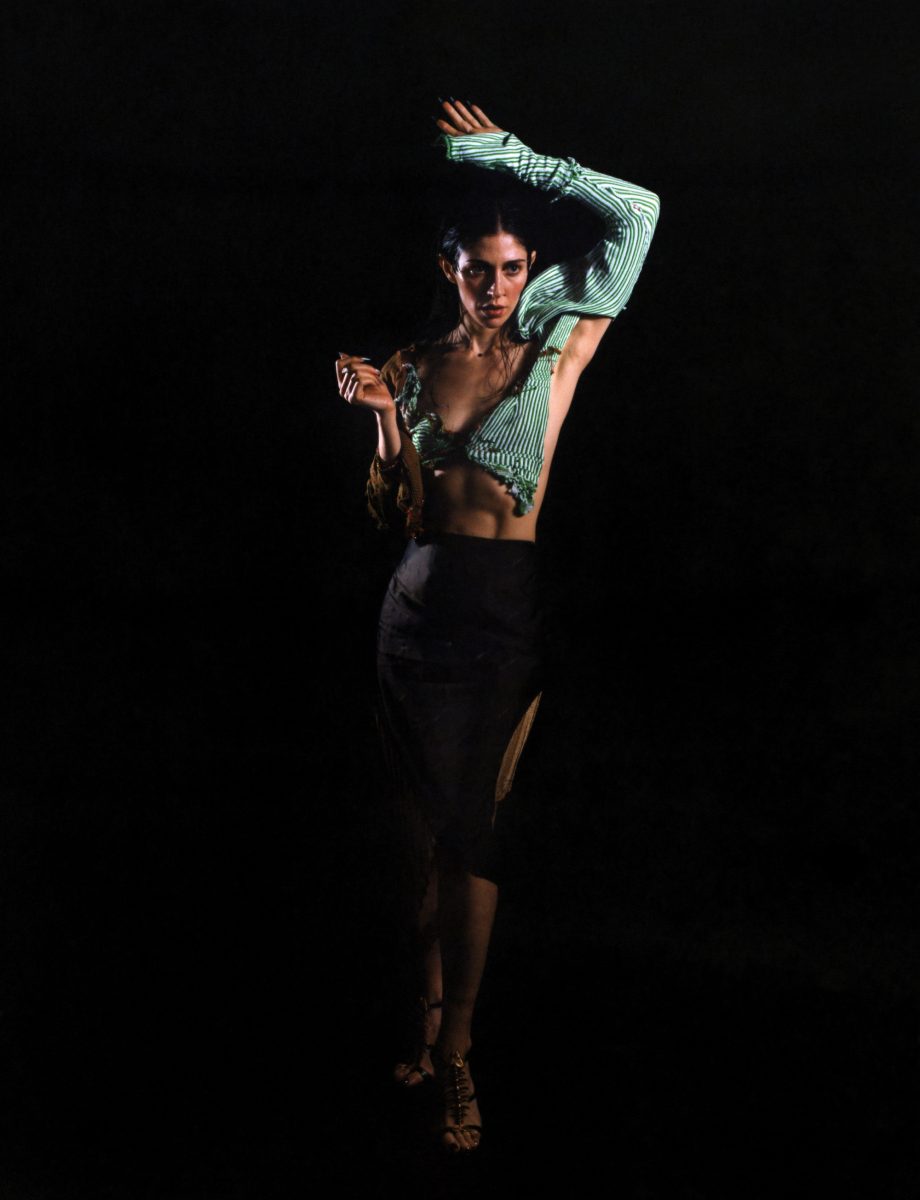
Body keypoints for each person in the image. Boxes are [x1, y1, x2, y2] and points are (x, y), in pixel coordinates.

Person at [335, 99, 660, 1153]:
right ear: (450, 268)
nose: (496, 285)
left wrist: (517, 159)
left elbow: (639, 214)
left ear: (530, 273)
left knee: (471, 831)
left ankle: (459, 1051)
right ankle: (423, 1021)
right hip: (414, 608)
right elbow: (394, 509)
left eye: (513, 268)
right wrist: (383, 417)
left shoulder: (558, 341)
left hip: (498, 611)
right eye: (479, 269)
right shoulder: (412, 363)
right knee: (410, 840)